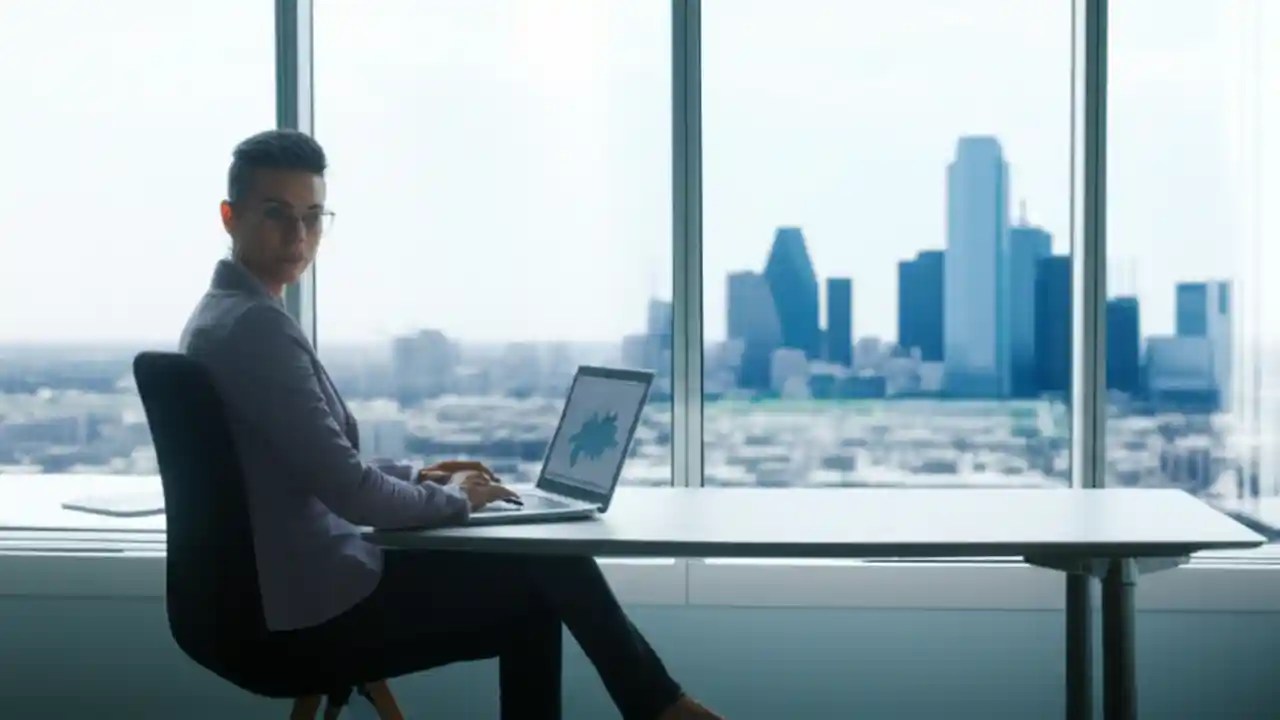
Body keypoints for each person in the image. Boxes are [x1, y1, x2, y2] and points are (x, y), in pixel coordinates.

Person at [179, 129, 723, 720]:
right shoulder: (256, 329)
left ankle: (658, 705)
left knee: (543, 564)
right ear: (230, 218)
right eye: (278, 214)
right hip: (307, 608)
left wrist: (426, 478)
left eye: (313, 216)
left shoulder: (220, 317)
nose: (300, 236)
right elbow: (349, 492)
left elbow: (307, 464)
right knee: (541, 582)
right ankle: (661, 707)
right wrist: (456, 501)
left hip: (276, 592)